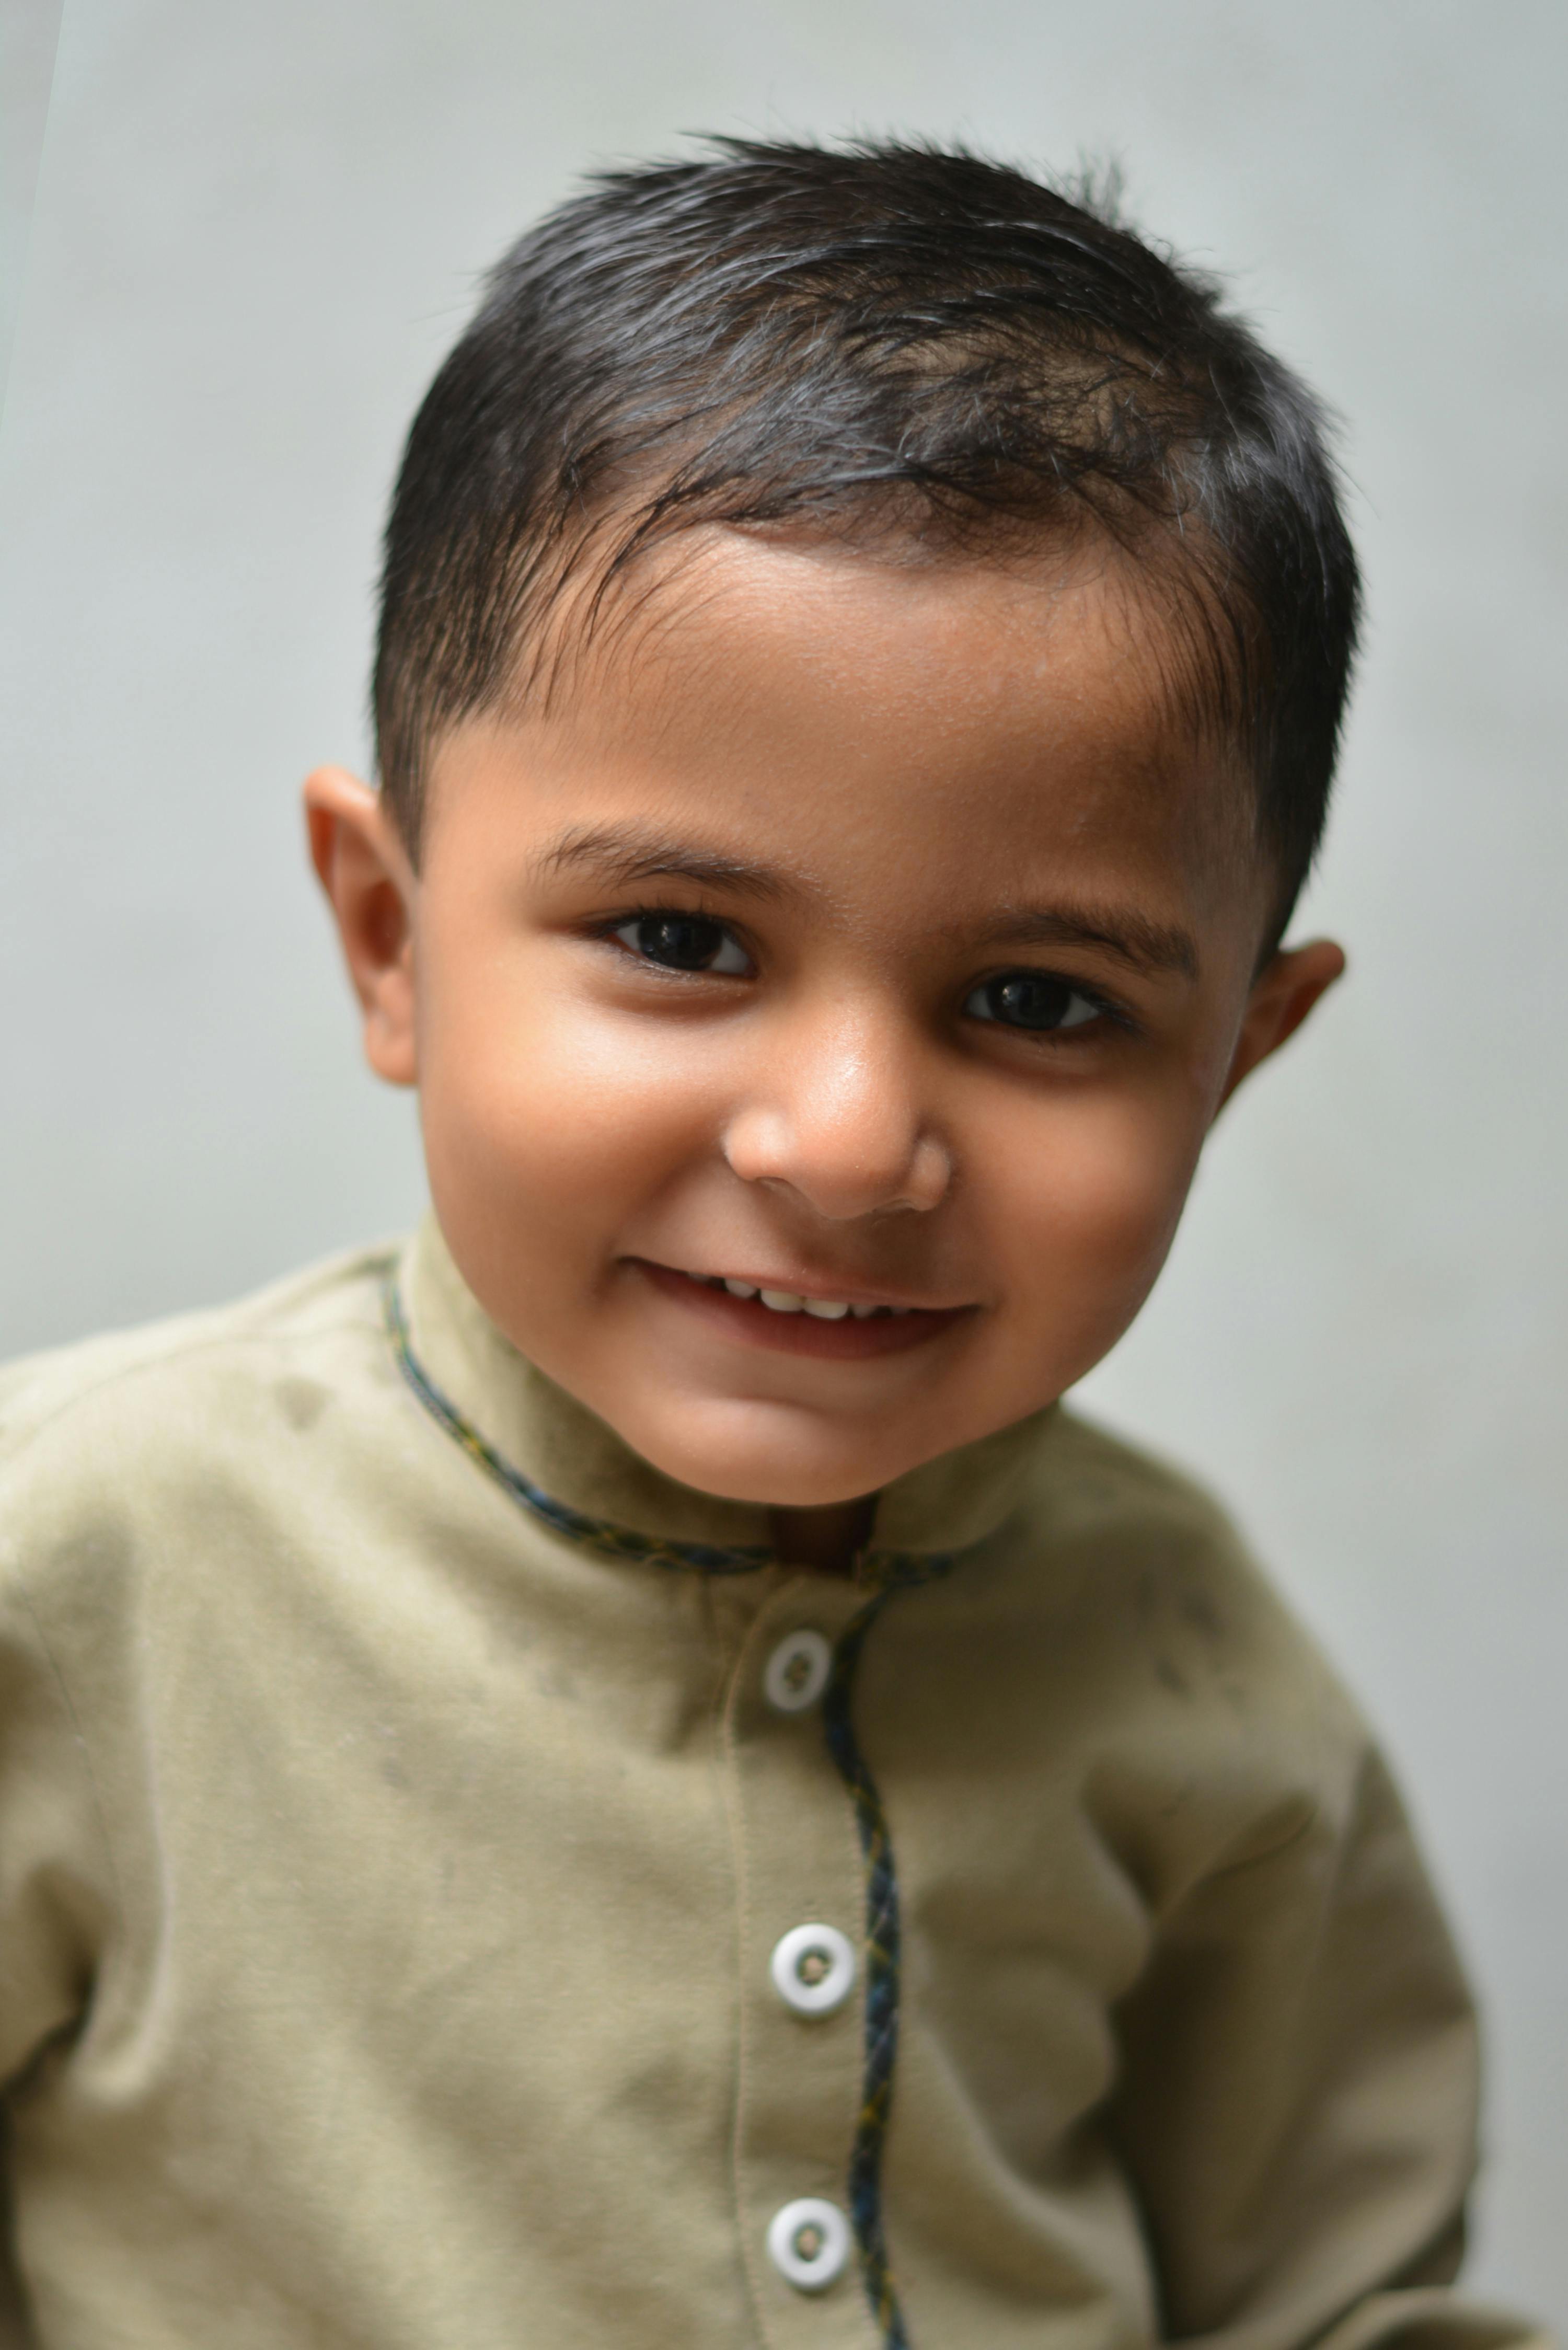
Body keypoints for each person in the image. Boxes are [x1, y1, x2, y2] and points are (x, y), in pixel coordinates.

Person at [0, 138, 1546, 2350]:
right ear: (391, 937)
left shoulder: (1192, 1656)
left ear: (1236, 1049)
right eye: (680, 936)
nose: (846, 1146)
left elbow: (1335, 2294)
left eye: (1041, 998)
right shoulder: (80, 1565)